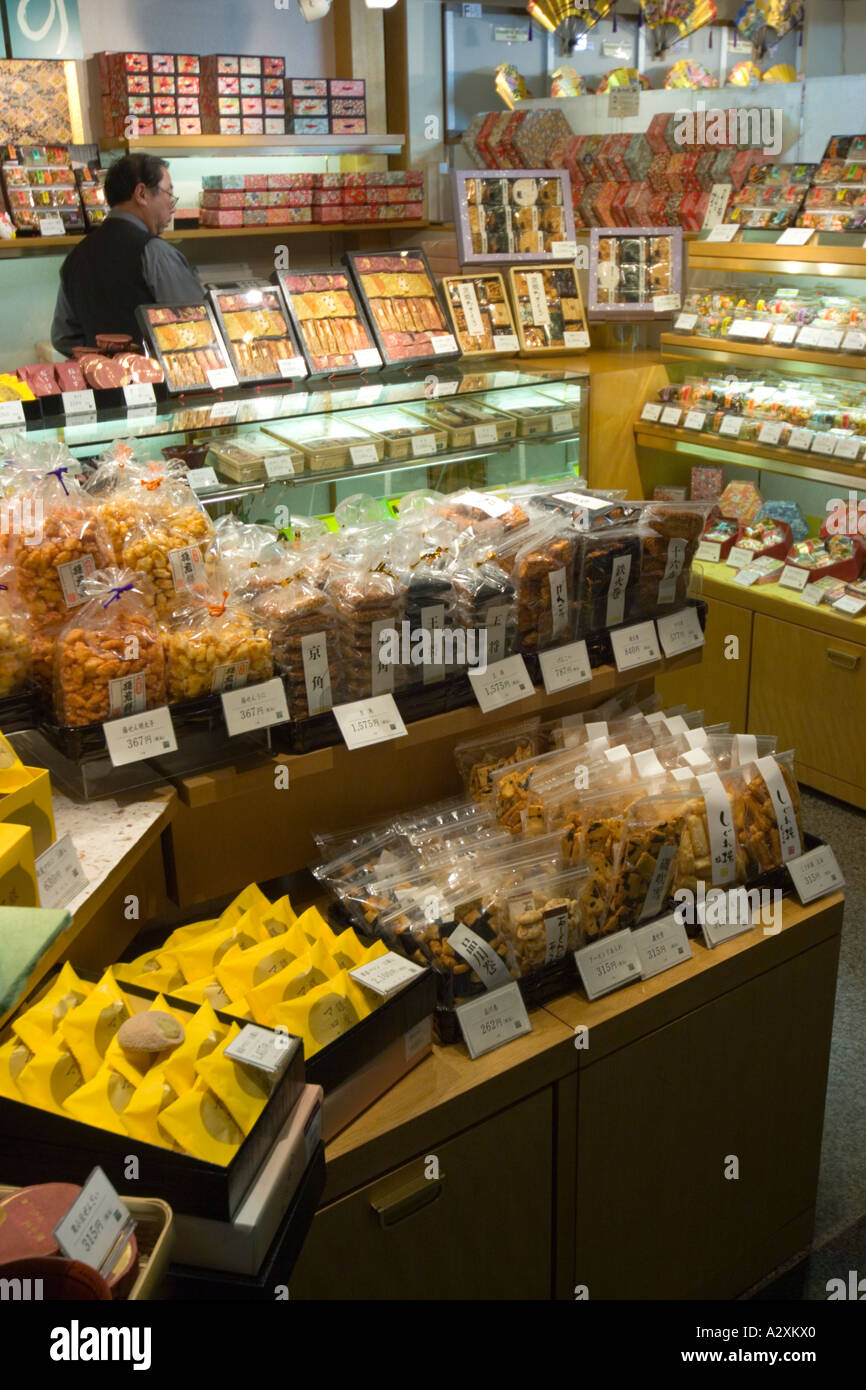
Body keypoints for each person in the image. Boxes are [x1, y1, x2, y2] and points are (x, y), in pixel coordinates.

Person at [51, 153, 202, 356]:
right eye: (169, 194)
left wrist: (105, 364)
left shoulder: (76, 256)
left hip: (102, 384)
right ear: (141, 194)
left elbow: (63, 338)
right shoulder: (155, 252)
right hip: (157, 383)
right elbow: (197, 327)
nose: (172, 207)